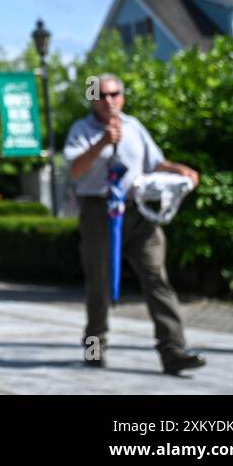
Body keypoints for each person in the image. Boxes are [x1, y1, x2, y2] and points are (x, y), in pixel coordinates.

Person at [63, 74, 205, 375]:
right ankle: (95, 346)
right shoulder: (81, 130)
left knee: (156, 277)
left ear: (122, 97)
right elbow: (76, 170)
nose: (109, 100)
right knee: (99, 283)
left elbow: (155, 163)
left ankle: (173, 350)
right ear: (93, 98)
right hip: (98, 212)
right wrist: (103, 141)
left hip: (137, 212)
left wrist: (180, 169)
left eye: (114, 94)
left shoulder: (134, 127)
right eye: (102, 95)